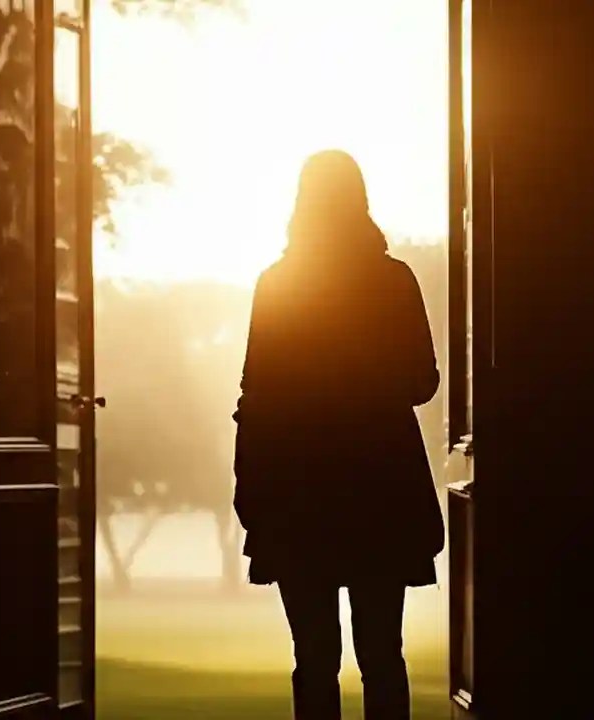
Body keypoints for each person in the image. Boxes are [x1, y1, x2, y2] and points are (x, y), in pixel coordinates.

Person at [232, 150, 445, 720]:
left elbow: (254, 397)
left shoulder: (277, 283)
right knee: (382, 654)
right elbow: (424, 381)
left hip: (298, 493)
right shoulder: (394, 279)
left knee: (314, 658)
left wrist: (248, 485)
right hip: (380, 490)